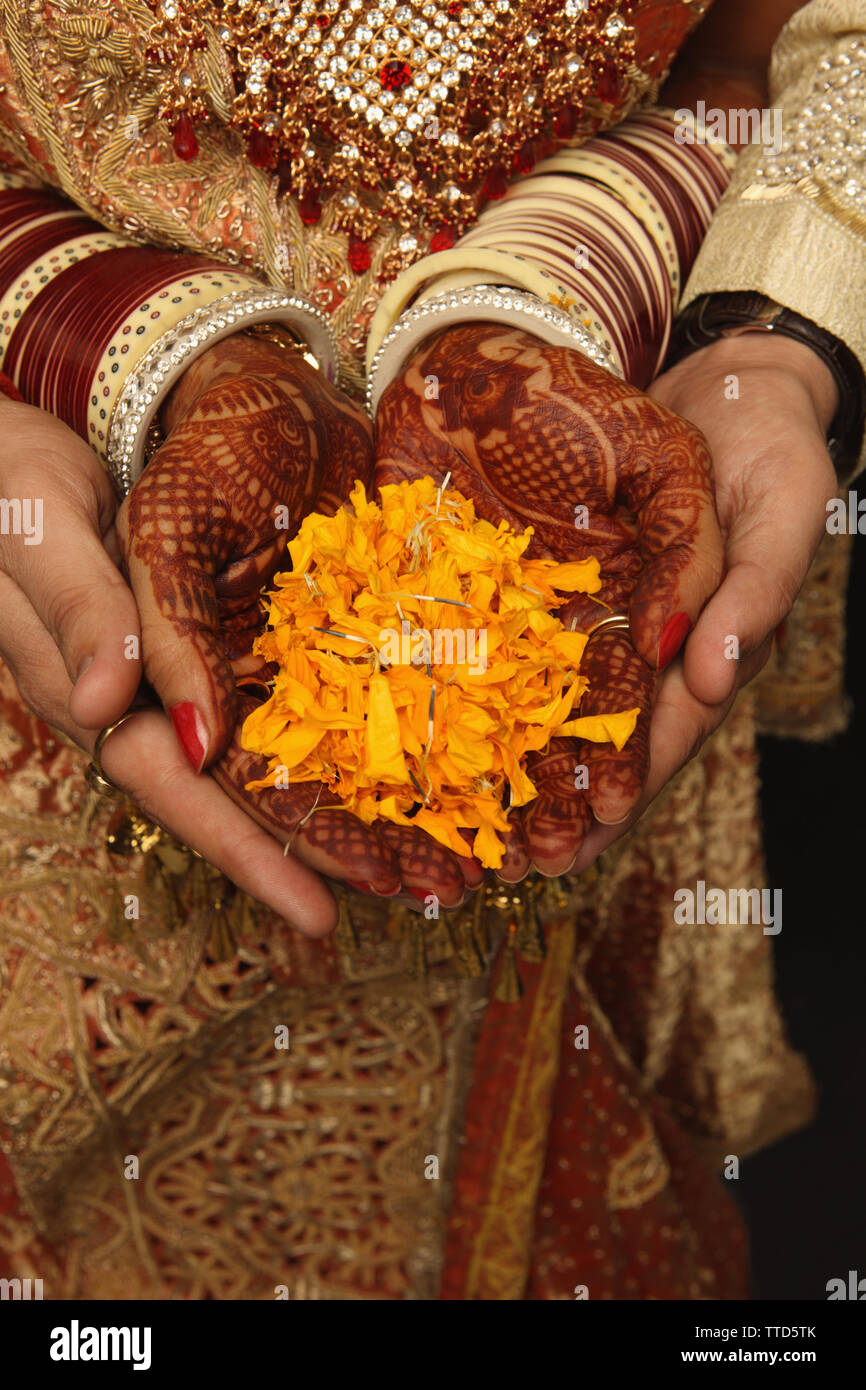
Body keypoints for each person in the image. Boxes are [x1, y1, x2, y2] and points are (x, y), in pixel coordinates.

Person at [0, 0, 860, 1299]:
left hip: (607, 534)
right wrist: (109, 347)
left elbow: (772, 48)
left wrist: (762, 341)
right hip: (70, 591)